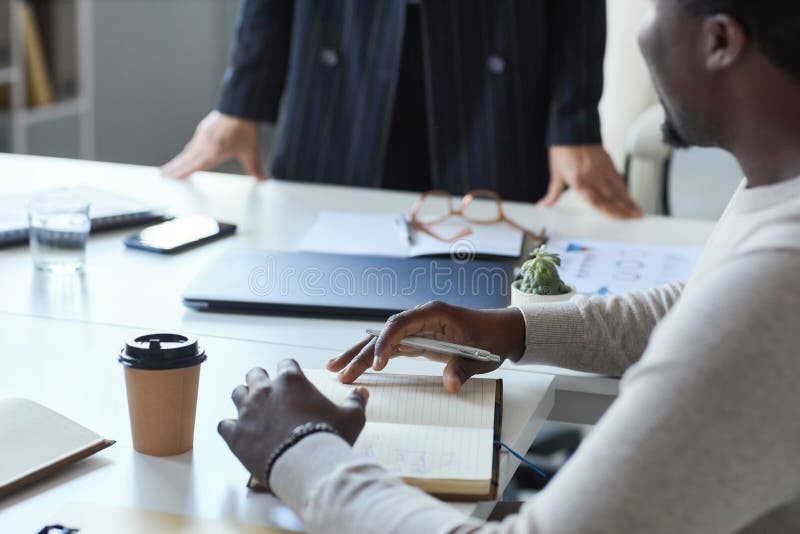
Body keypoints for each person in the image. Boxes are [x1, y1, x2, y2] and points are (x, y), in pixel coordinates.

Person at [218, 0, 800, 531]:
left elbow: (740, 318)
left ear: (720, 41)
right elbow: (705, 302)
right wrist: (513, 328)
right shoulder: (776, 195)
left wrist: (302, 450)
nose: (643, 35)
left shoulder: (776, 287)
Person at [161, 0, 642, 219]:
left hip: (494, 78)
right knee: (319, 297)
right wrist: (241, 101)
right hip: (342, 70)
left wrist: (574, 122)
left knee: (486, 311)